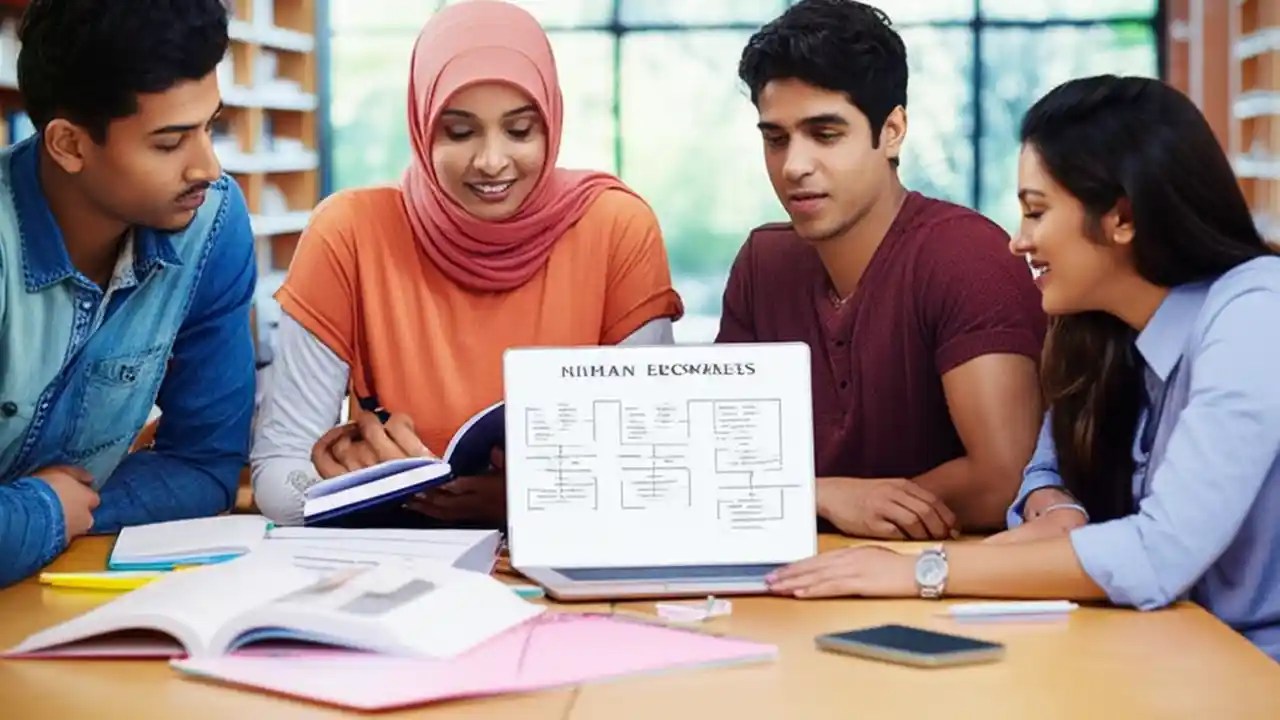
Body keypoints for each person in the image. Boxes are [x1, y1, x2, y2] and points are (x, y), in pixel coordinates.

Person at [766, 74, 1280, 662]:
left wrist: (921, 570)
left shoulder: (1256, 314)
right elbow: (1042, 474)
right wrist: (1058, 509)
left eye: (1036, 212)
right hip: (1160, 648)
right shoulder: (1104, 324)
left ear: (1121, 218)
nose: (1018, 241)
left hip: (1250, 667)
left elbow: (1161, 553)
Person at [250, 0, 684, 527]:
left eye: (520, 131)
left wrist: (524, 501)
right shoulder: (347, 233)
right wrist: (348, 487)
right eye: (459, 133)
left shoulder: (616, 227)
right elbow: (278, 473)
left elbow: (656, 465)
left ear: (551, 125)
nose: (492, 161)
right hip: (392, 562)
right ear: (422, 126)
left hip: (561, 557)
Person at [719, 0, 1046, 540]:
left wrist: (843, 505)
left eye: (825, 134)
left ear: (892, 131)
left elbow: (1003, 478)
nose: (794, 166)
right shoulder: (764, 263)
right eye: (775, 139)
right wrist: (825, 496)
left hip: (947, 584)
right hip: (791, 575)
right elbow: (724, 464)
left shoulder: (966, 258)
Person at [0, 0, 257, 587]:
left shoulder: (212, 225)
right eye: (169, 143)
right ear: (68, 144)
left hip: (60, 591)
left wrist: (59, 514)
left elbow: (205, 466)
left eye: (209, 126)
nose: (208, 167)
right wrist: (41, 512)